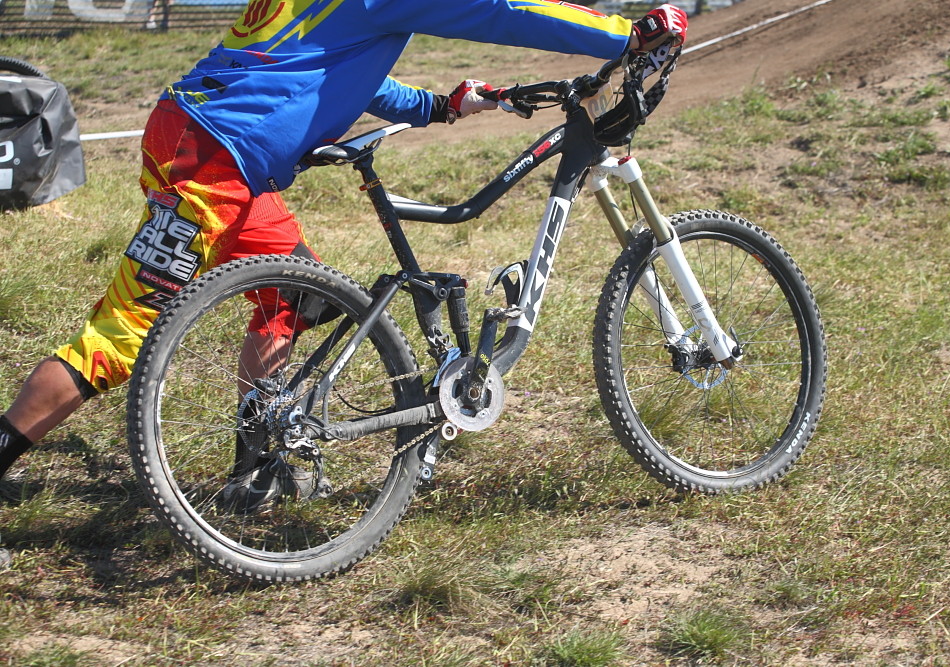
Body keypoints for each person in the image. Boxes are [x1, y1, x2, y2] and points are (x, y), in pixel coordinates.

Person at [0, 0, 688, 565]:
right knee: (119, 338)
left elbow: (336, 72)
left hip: (208, 143)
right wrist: (628, 34)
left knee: (295, 298)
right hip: (212, 158)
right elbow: (500, 9)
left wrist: (440, 105)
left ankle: (253, 472)